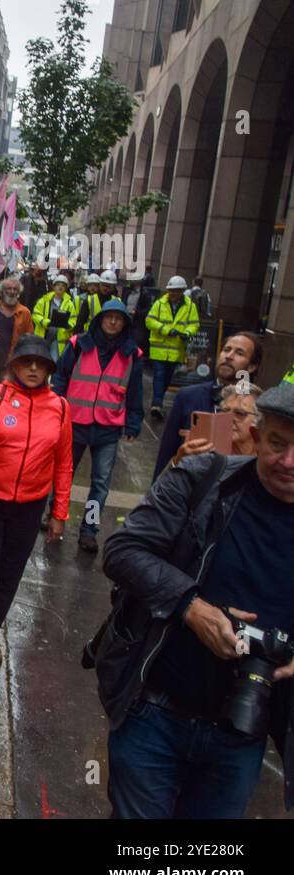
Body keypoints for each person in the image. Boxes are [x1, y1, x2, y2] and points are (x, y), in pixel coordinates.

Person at [96, 382, 294, 818]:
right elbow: (123, 551)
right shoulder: (201, 476)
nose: (289, 461)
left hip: (244, 736)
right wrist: (191, 607)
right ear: (257, 437)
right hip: (157, 711)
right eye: (278, 443)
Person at [0, 335, 72, 691]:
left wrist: (59, 512)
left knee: (7, 577)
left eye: (40, 363)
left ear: (49, 368)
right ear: (14, 365)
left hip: (30, 506)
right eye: (26, 362)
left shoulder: (61, 408)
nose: (33, 369)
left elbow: (63, 463)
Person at [50, 300, 143, 553]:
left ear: (124, 323)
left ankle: (89, 530)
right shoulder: (78, 344)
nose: (113, 322)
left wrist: (134, 422)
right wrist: (55, 405)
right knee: (63, 474)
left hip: (108, 426)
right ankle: (53, 514)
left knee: (100, 484)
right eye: (108, 317)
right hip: (75, 421)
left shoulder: (132, 354)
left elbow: (135, 392)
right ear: (100, 319)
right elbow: (61, 376)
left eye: (118, 318)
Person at [153, 331, 264, 479]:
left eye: (239, 353)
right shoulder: (187, 396)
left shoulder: (260, 404)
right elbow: (166, 453)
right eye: (226, 349)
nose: (229, 356)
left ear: (251, 366)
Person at [165, 383, 262, 468]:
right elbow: (164, 487)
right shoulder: (205, 454)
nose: (228, 417)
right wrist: (178, 461)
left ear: (259, 421)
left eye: (240, 413)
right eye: (224, 411)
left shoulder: (264, 464)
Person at [145, 275, 201, 419]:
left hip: (176, 350)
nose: (173, 294)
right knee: (159, 375)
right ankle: (156, 404)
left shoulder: (190, 307)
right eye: (171, 290)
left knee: (167, 378)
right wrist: (165, 329)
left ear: (182, 291)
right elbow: (149, 321)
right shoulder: (159, 304)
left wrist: (187, 333)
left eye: (176, 291)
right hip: (159, 349)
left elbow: (194, 323)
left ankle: (158, 401)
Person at [0, 276, 34, 384]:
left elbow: (29, 339)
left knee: (4, 393)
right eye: (8, 288)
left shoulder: (25, 313)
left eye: (15, 289)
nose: (12, 291)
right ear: (1, 291)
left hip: (10, 363)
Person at [31, 271, 78, 362]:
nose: (60, 287)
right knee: (40, 361)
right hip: (43, 337)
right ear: (53, 286)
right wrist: (46, 322)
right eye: (58, 285)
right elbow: (35, 314)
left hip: (58, 339)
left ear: (66, 288)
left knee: (54, 361)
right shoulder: (43, 300)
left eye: (63, 286)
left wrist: (68, 325)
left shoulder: (70, 304)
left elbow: (73, 319)